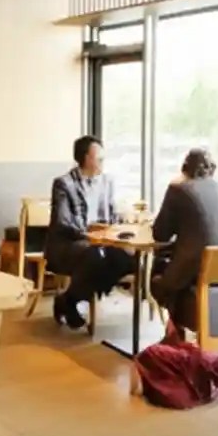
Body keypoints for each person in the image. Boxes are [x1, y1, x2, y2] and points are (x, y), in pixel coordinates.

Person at [46, 135, 135, 330]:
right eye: (99, 158)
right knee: (94, 256)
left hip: (100, 242)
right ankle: (72, 301)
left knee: (127, 258)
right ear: (86, 158)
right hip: (68, 244)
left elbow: (112, 216)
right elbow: (63, 222)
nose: (103, 162)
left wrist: (122, 223)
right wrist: (89, 234)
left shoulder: (107, 182)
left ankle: (68, 299)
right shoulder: (63, 183)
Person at [149, 148, 218, 325]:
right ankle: (176, 336)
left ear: (185, 169)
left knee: (158, 275)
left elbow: (160, 234)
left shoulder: (178, 190)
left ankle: (176, 336)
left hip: (195, 274)